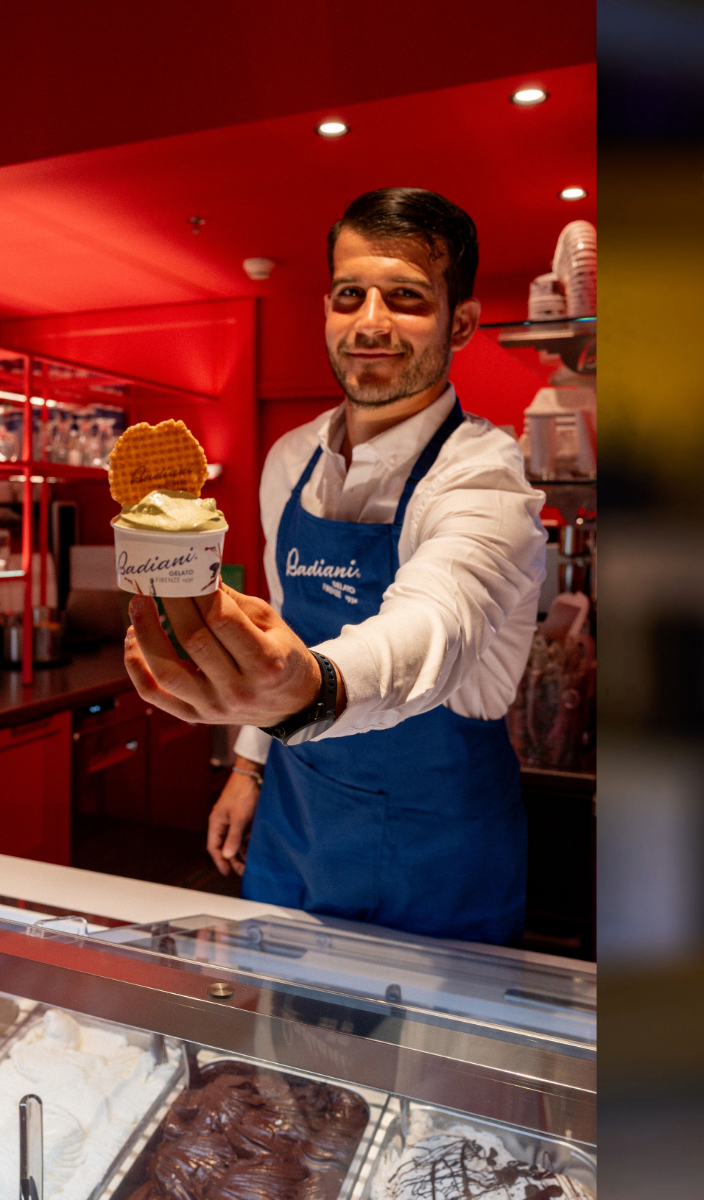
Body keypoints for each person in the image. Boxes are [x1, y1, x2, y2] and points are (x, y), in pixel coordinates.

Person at [123, 188, 544, 945]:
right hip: (297, 824)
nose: (371, 322)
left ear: (464, 323)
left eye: (407, 298)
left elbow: (438, 622)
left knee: (432, 1065)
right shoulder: (290, 461)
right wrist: (249, 766)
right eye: (351, 295)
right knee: (279, 1047)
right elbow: (280, 621)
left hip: (438, 857)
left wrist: (309, 692)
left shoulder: (485, 477)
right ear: (328, 310)